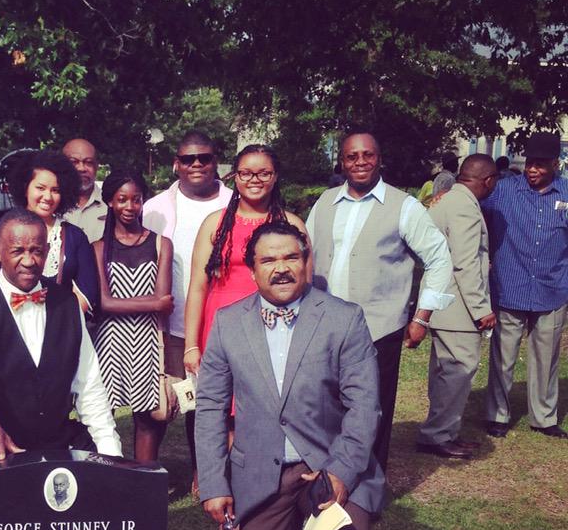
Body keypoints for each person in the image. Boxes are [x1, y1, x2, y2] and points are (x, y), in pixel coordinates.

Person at [195, 221, 385, 530]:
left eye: (290, 257)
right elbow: (210, 407)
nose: (280, 268)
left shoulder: (343, 318)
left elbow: (364, 407)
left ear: (305, 262)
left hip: (328, 461)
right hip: (262, 471)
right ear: (253, 270)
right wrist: (215, 483)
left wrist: (340, 472)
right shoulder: (228, 323)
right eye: (268, 260)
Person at [306, 131, 453, 470]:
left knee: (372, 409)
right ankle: (329, 480)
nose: (360, 162)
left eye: (367, 155)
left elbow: (439, 259)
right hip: (323, 325)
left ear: (379, 159)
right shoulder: (325, 202)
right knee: (325, 406)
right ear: (342, 162)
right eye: (352, 156)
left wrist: (421, 317)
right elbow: (306, 254)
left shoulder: (404, 206)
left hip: (378, 329)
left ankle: (368, 485)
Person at [0, 210, 121, 463]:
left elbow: (89, 385)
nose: (28, 261)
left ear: (47, 251)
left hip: (56, 448)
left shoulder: (68, 304)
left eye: (36, 251)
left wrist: (111, 455)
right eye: (18, 251)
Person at [182, 145, 308, 490]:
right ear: (234, 177)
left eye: (263, 173)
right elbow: (197, 287)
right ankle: (214, 476)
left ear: (275, 177)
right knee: (218, 409)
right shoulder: (215, 224)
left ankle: (252, 480)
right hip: (220, 328)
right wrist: (191, 345)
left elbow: (305, 288)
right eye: (246, 173)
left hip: (272, 329)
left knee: (259, 408)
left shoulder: (292, 225)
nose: (255, 180)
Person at [143, 131, 233, 485]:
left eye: (204, 158)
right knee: (158, 404)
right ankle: (145, 475)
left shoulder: (234, 203)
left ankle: (204, 473)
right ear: (176, 164)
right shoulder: (154, 208)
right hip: (167, 326)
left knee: (208, 406)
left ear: (216, 163)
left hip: (216, 326)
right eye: (188, 158)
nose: (196, 164)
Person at [482, 132, 568, 439]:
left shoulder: (566, 193)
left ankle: (544, 417)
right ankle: (497, 415)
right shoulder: (504, 191)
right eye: (530, 162)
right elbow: (472, 201)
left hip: (552, 289)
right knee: (503, 357)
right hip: (510, 286)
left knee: (546, 358)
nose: (532, 169)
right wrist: (446, 196)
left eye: (540, 164)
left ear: (555, 164)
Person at [417, 155, 498, 458]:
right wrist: (481, 309)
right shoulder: (464, 206)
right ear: (488, 180)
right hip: (458, 306)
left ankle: (441, 432)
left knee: (445, 373)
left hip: (442, 303)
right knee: (457, 373)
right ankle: (438, 436)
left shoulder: (449, 199)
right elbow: (465, 263)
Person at [92, 171, 173, 461]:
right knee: (103, 416)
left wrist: (124, 303)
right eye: (122, 199)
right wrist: (152, 303)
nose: (129, 206)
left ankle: (143, 479)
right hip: (109, 343)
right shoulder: (98, 248)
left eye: (136, 200)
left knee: (147, 419)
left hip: (148, 342)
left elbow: (165, 300)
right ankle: (104, 476)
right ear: (110, 202)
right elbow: (103, 303)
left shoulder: (161, 244)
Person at [0, 149, 99, 312]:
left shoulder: (75, 236)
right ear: (25, 187)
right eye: (40, 188)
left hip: (60, 323)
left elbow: (87, 292)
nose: (48, 197)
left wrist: (55, 321)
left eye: (55, 190)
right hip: (7, 321)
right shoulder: (1, 229)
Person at [62, 138, 107, 243]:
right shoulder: (51, 204)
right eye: (74, 162)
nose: (81, 168)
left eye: (88, 162)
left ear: (96, 166)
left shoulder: (111, 206)